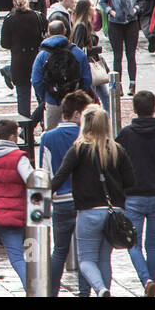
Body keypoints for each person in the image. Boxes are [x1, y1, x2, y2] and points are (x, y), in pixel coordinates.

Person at [50, 105, 137, 297]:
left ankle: (100, 289)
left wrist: (43, 194)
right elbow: (131, 182)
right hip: (113, 211)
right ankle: (104, 290)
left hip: (89, 211)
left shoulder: (79, 149)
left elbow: (60, 176)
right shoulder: (117, 149)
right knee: (104, 259)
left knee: (86, 259)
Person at [114, 90, 155, 297]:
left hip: (133, 196)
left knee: (132, 242)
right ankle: (151, 281)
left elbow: (114, 165)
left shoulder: (125, 135)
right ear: (154, 108)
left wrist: (121, 191)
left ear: (134, 109)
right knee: (152, 243)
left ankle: (146, 280)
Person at [39, 89, 92, 295]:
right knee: (84, 252)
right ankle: (84, 291)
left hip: (59, 199)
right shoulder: (85, 136)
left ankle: (52, 292)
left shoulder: (48, 137)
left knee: (59, 251)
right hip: (84, 200)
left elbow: (44, 171)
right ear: (78, 114)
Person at [0, 119, 34, 290]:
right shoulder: (18, 158)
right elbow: (33, 181)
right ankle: (32, 291)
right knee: (17, 257)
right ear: (13, 136)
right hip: (12, 216)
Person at [98, 0, 146, 96]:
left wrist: (136, 9)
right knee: (117, 55)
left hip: (131, 22)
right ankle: (118, 85)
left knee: (131, 55)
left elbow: (141, 0)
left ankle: (132, 84)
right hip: (115, 23)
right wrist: (110, 11)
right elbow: (102, 1)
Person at [1, 0, 47, 124]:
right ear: (27, 1)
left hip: (18, 62)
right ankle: (42, 122)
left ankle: (26, 128)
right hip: (37, 61)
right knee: (42, 97)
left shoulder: (9, 19)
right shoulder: (38, 16)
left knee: (22, 97)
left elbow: (5, 44)